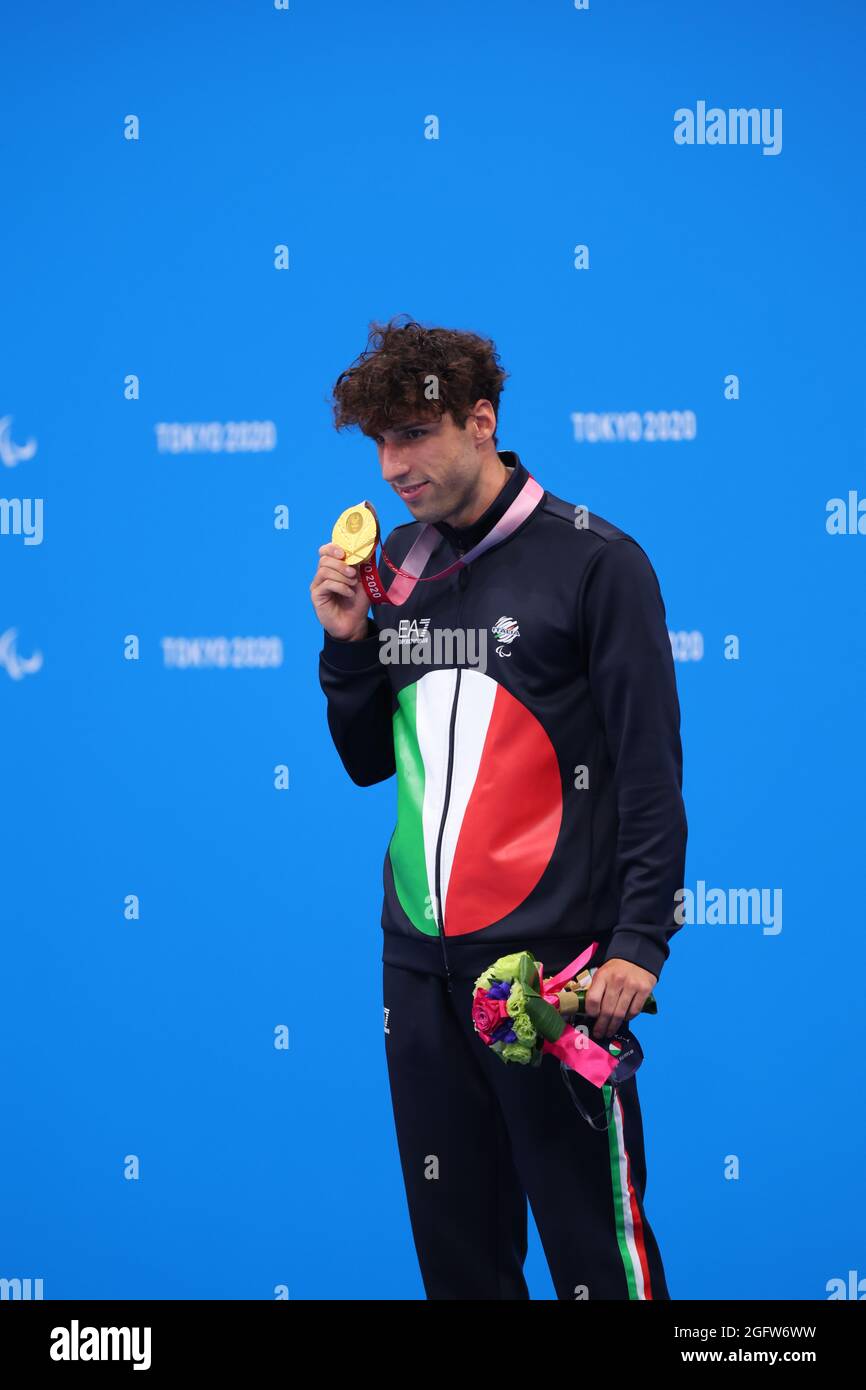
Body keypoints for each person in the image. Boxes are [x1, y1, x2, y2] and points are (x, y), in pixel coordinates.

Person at [310, 315, 688, 1300]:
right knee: (460, 1268)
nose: (393, 465)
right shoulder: (396, 562)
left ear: (480, 421)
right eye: (379, 441)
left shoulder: (596, 563)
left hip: (547, 978)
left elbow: (648, 776)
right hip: (419, 977)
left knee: (594, 1263)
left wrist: (637, 942)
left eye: (414, 434)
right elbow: (365, 762)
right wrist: (348, 644)